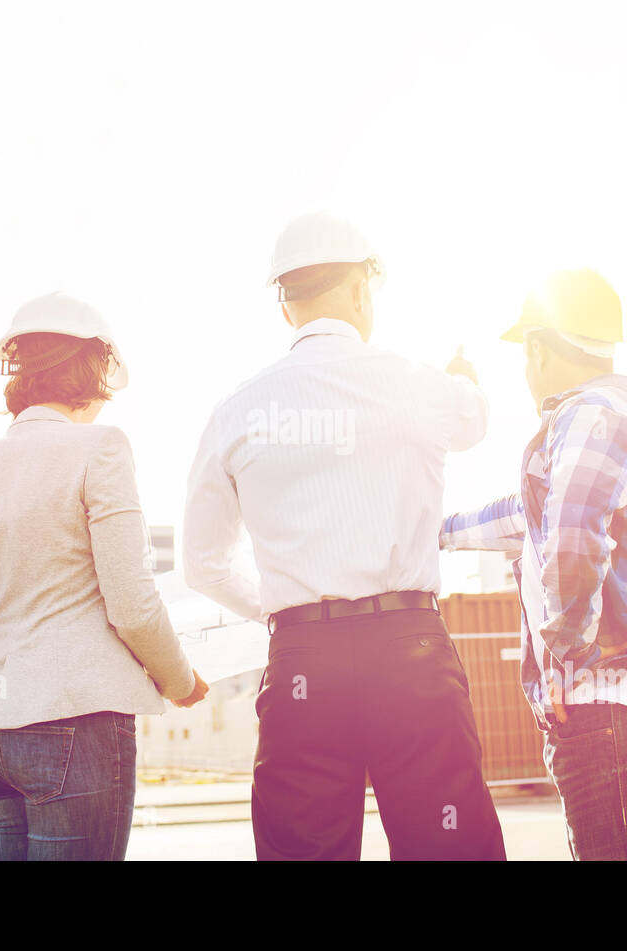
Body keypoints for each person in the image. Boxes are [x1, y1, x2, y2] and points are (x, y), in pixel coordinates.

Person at [183, 212, 505, 861]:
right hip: (409, 654)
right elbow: (474, 418)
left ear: (284, 307)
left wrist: (283, 609)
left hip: (306, 665)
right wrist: (464, 376)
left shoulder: (237, 411)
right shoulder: (418, 386)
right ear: (363, 291)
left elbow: (202, 564)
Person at [440, 269, 627, 860]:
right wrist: (438, 534)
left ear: (537, 349)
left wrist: (566, 658)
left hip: (617, 712)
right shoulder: (611, 419)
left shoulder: (591, 416)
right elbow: (530, 515)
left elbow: (569, 537)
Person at [0, 292, 207, 862]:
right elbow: (132, 604)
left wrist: (22, 674)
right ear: (92, 368)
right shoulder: (101, 448)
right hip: (75, 725)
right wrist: (182, 683)